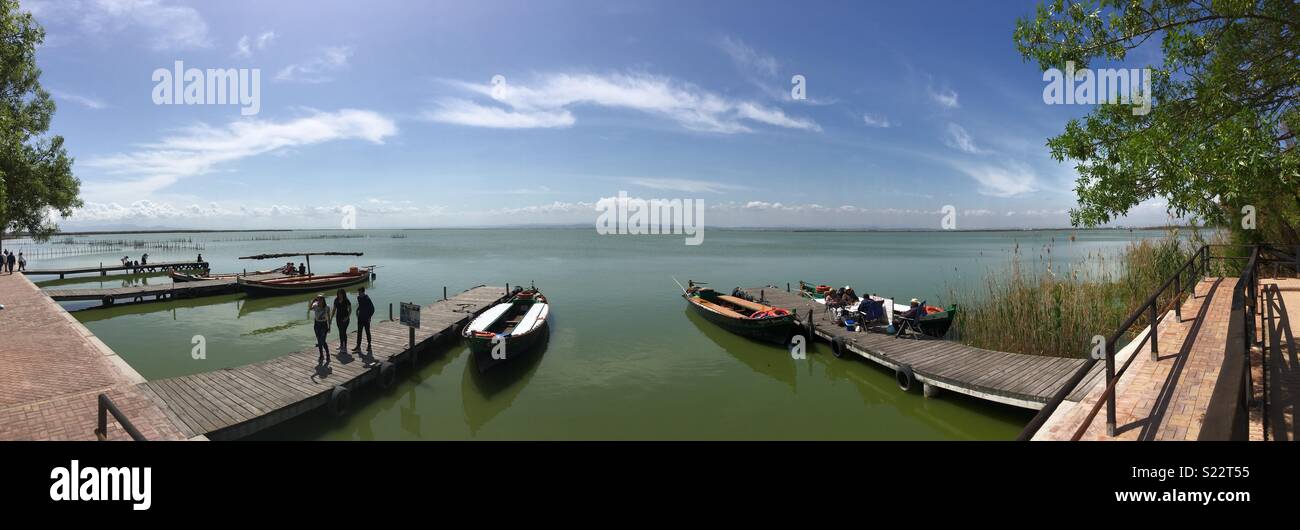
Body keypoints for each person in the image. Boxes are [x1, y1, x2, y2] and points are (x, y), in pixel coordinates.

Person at [309, 295, 333, 367]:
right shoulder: (315, 305)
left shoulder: (327, 307)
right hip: (317, 324)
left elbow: (328, 317)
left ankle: (328, 354)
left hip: (324, 324)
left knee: (322, 341)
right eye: (318, 299)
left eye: (320, 299)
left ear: (323, 300)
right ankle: (321, 355)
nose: (319, 301)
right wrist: (313, 301)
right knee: (319, 341)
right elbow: (310, 308)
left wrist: (329, 327)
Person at [353, 286, 375, 356]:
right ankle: (358, 346)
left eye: (359, 292)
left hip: (366, 318)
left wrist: (369, 317)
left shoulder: (367, 299)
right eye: (358, 292)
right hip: (360, 318)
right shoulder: (359, 298)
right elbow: (360, 305)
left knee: (367, 332)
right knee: (359, 332)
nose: (358, 293)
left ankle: (369, 345)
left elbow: (372, 309)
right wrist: (357, 310)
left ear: (363, 292)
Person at [333, 288, 352, 355]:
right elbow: (334, 309)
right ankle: (341, 345)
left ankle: (345, 347)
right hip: (338, 318)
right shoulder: (336, 300)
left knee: (344, 332)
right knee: (340, 331)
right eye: (338, 293)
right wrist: (331, 317)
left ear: (343, 294)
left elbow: (350, 309)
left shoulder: (346, 300)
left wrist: (347, 317)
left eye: (341, 293)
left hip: (345, 318)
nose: (340, 295)